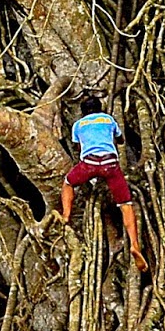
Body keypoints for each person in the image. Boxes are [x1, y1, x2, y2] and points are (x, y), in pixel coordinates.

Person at [61, 96, 148, 272]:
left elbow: (77, 147)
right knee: (126, 205)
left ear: (83, 112)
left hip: (90, 164)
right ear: (100, 108)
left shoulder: (78, 125)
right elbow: (121, 140)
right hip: (110, 165)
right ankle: (134, 245)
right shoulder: (109, 119)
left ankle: (66, 215)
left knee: (68, 183)